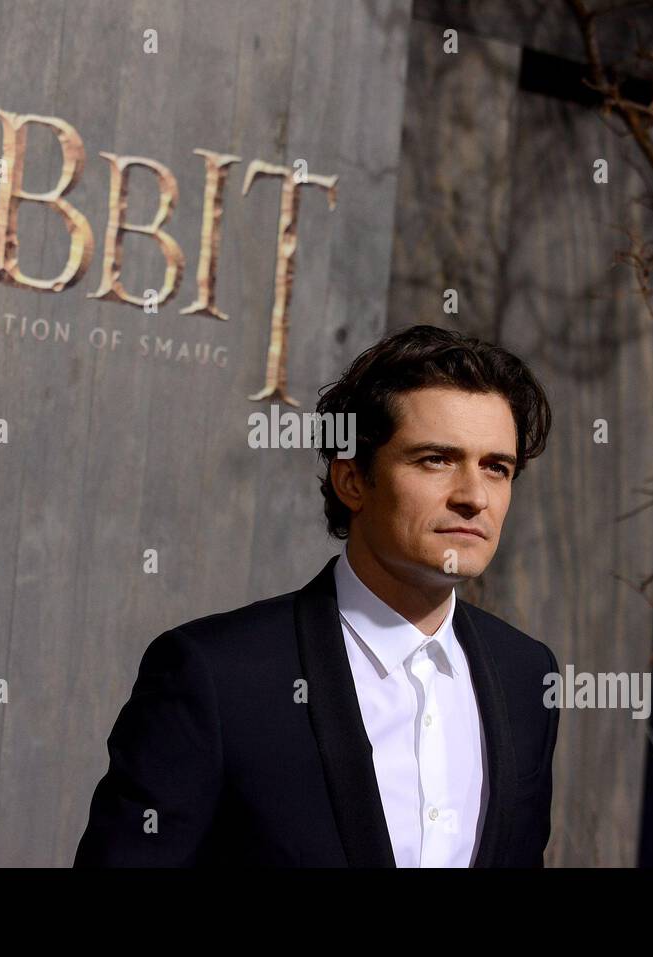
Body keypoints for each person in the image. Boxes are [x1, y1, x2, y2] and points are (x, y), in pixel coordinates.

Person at [74, 324, 559, 867]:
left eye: (497, 467)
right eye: (436, 460)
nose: (474, 497)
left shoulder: (525, 674)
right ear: (352, 480)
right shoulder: (216, 675)